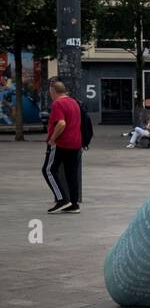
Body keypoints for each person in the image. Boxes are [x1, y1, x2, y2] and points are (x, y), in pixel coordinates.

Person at [43, 80, 82, 214]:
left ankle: (62, 200)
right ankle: (74, 204)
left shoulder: (58, 103)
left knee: (48, 170)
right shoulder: (74, 102)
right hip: (75, 143)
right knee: (71, 174)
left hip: (61, 143)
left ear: (53, 91)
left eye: (50, 92)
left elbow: (61, 123)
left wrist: (52, 139)